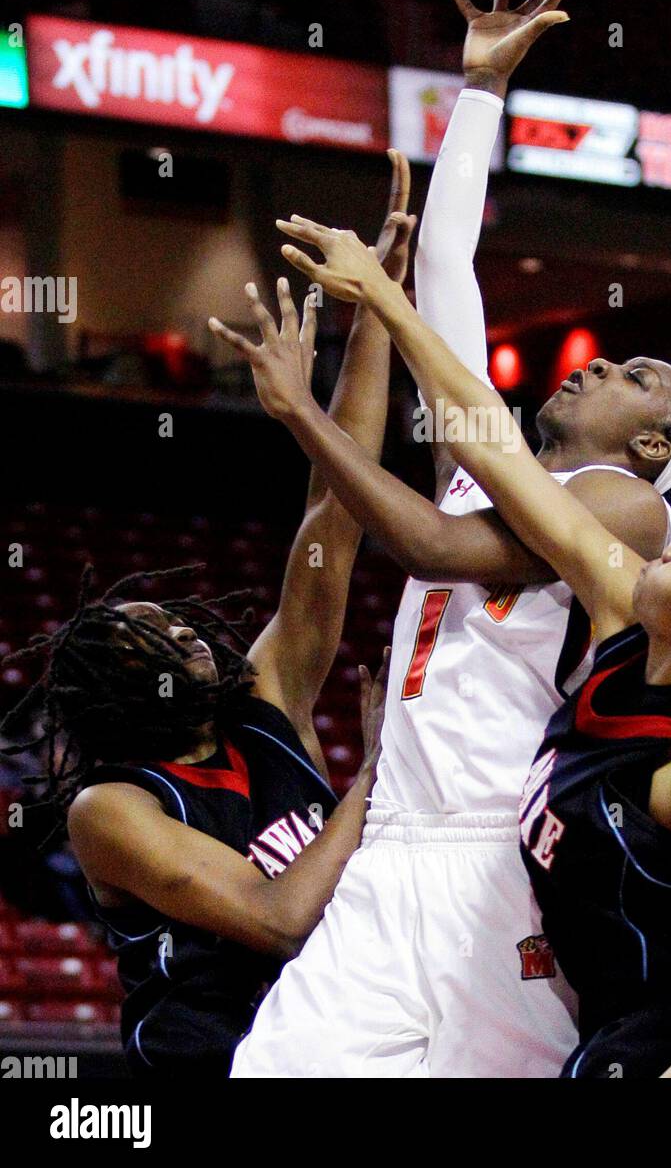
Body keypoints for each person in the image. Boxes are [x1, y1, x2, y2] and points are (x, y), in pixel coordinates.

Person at [213, 0, 671, 1079]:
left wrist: (302, 414)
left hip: (496, 862)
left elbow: (427, 548)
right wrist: (478, 90)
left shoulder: (627, 506)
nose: (599, 358)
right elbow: (449, 271)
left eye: (635, 376)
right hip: (391, 846)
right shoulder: (486, 460)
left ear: (654, 448)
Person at [269, 210, 671, 1077]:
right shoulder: (623, 612)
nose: (667, 546)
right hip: (611, 1034)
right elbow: (488, 444)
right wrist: (385, 294)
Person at [0, 157, 415, 1077]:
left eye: (182, 622)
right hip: (212, 1063)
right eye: (159, 635)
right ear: (118, 686)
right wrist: (381, 769)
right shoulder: (114, 807)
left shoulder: (262, 703)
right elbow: (277, 917)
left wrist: (377, 308)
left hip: (339, 1046)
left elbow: (334, 516)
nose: (192, 634)